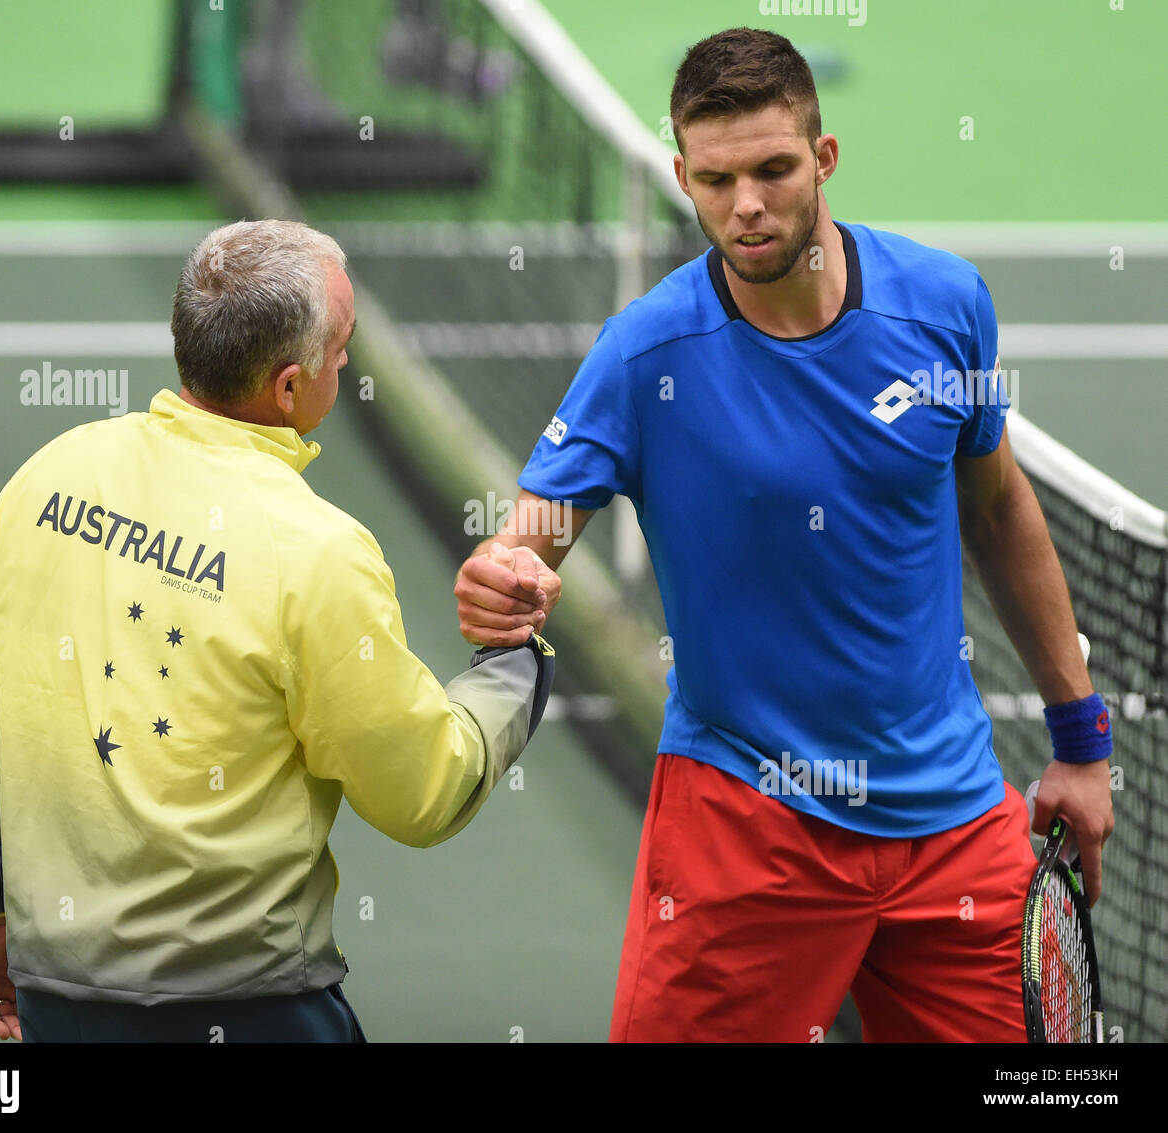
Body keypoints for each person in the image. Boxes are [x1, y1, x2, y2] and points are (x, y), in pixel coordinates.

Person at [453, 27, 1113, 1042]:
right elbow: (535, 526)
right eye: (715, 180)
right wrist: (503, 571)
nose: (745, 204)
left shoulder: (944, 306)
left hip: (952, 820)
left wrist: (1078, 742)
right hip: (744, 825)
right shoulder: (649, 354)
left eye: (771, 169)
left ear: (824, 157)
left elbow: (996, 505)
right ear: (682, 174)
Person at [0, 218, 554, 1044]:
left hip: (58, 998)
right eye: (343, 345)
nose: (350, 362)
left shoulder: (48, 476)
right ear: (289, 388)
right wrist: (514, 661)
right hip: (254, 1014)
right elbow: (422, 791)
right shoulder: (317, 549)